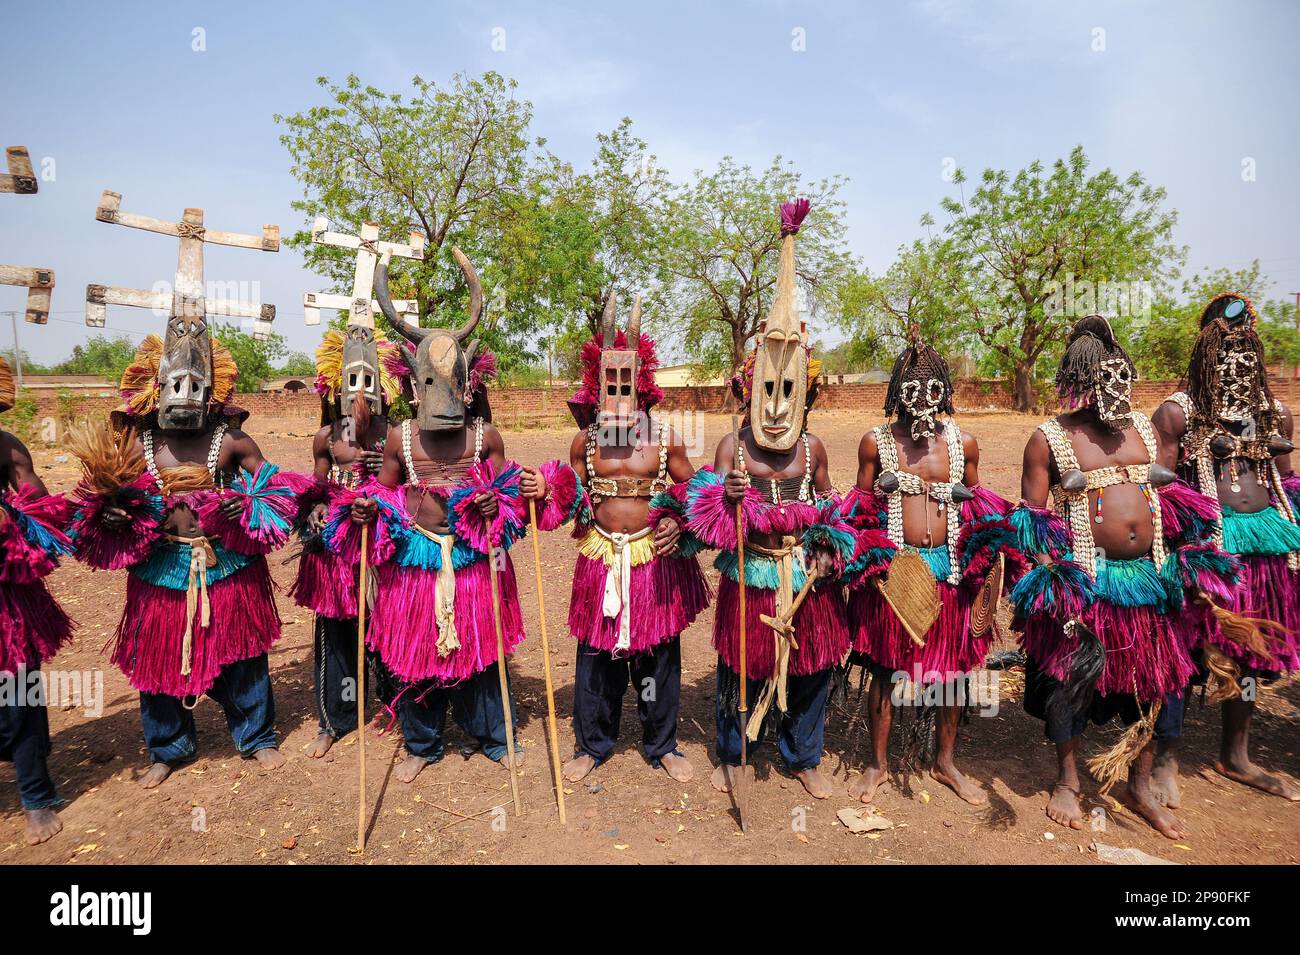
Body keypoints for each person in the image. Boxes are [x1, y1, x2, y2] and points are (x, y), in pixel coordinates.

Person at [1012, 315, 1233, 839]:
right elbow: (1030, 521)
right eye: (1104, 380)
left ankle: (1138, 781)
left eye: (1123, 378)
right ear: (1081, 385)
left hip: (1149, 580)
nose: (1117, 390)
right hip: (1087, 585)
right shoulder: (1048, 439)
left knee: (1156, 680)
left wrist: (1192, 560)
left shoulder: (1143, 430)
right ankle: (1067, 778)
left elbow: (1174, 497)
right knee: (1073, 682)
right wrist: (1054, 583)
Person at [68, 321, 307, 789]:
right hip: (160, 568)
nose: (186, 393)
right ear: (155, 388)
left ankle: (256, 736)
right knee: (155, 659)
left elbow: (278, 491)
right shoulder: (138, 444)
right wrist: (115, 513)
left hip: (227, 565)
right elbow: (106, 500)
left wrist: (249, 501)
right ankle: (168, 747)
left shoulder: (233, 442)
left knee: (242, 654)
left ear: (213, 390)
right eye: (176, 384)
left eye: (196, 385)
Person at [338, 248, 534, 784]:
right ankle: (422, 743)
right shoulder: (399, 437)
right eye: (430, 385)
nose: (442, 396)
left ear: (468, 385)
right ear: (413, 384)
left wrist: (500, 504)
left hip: (474, 560)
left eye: (451, 385)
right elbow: (383, 494)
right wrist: (365, 510)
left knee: (480, 648)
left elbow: (512, 497)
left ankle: (494, 735)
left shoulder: (485, 437)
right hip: (416, 559)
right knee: (415, 652)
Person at [684, 200, 854, 800]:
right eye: (768, 389)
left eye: (789, 392)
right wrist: (724, 498)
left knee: (810, 666)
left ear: (805, 395)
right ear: (750, 388)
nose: (777, 407)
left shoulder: (814, 449)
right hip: (749, 574)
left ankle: (804, 755)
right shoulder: (733, 445)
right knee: (740, 664)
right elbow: (701, 511)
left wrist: (833, 545)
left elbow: (835, 509)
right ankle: (734, 751)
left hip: (802, 576)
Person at [524, 291, 708, 783]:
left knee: (659, 654)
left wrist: (677, 522)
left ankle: (662, 744)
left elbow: (694, 491)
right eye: (610, 381)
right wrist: (546, 489)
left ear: (642, 382)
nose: (619, 391)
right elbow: (573, 497)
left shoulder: (665, 436)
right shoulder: (584, 441)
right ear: (596, 383)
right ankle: (593, 745)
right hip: (601, 557)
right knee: (596, 655)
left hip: (654, 559)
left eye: (627, 381)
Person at [843, 329, 1022, 806]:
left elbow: (981, 503)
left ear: (944, 394)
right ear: (897, 395)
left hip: (950, 569)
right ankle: (878, 765)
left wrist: (991, 553)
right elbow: (860, 507)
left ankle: (945, 763)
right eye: (912, 391)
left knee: (955, 670)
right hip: (897, 571)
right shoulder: (875, 442)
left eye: (932, 391)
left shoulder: (964, 443)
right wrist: (873, 556)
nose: (922, 401)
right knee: (886, 667)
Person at [1152, 292, 1300, 802]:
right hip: (1207, 549)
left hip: (1265, 550)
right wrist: (1180, 558)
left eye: (1247, 354)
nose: (1237, 362)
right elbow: (1165, 490)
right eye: (1225, 353)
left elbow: (1287, 483)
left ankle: (1235, 752)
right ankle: (1165, 756)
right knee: (1185, 652)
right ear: (1205, 354)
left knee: (1251, 654)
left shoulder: (1276, 414)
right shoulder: (1178, 414)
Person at [292, 323, 409, 758]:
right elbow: (315, 491)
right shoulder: (326, 437)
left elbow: (412, 490)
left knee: (390, 626)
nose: (360, 390)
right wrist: (318, 511)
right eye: (351, 381)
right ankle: (336, 719)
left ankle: (396, 704)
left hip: (385, 550)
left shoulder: (398, 433)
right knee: (337, 633)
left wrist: (385, 483)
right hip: (337, 557)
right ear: (335, 385)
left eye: (368, 379)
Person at [0, 356, 75, 843]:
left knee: (17, 689)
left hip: (6, 595)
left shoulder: (7, 447)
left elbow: (43, 508)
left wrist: (11, 514)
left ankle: (36, 794)